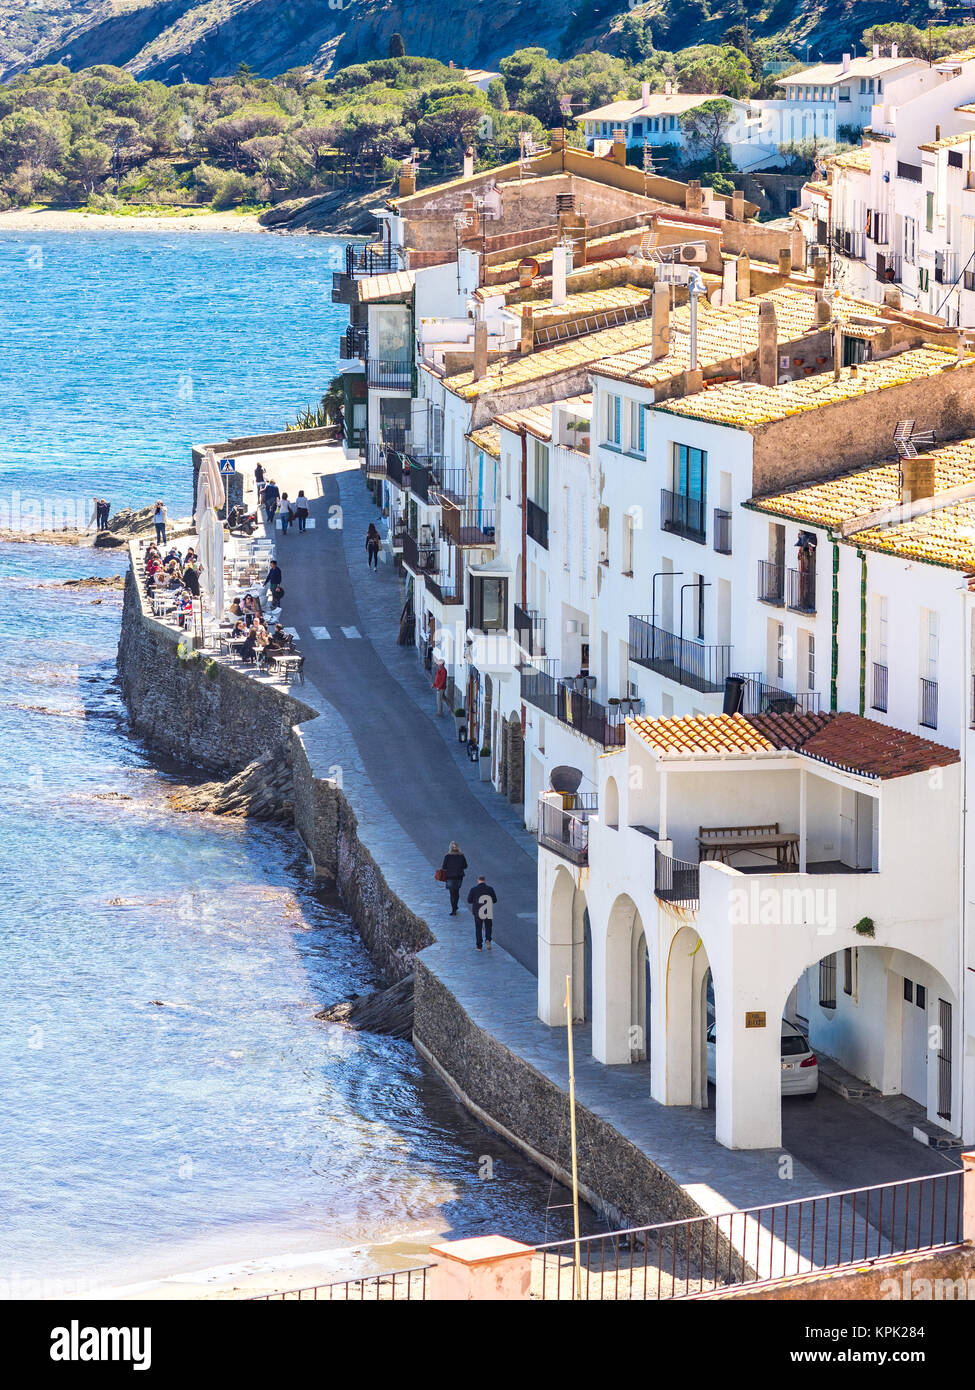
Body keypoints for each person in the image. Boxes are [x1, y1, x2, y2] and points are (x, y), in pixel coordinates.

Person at [467, 876, 498, 951]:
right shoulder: (490, 889)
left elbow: (469, 900)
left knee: (478, 928)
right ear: (484, 881)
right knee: (488, 926)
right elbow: (494, 900)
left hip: (478, 911)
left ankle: (479, 946)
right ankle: (488, 939)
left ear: (478, 880)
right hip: (488, 910)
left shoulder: (473, 889)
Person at [440, 841, 467, 916]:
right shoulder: (461, 856)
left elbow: (444, 867)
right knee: (457, 892)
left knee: (452, 893)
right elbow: (465, 866)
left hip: (450, 876)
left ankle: (453, 909)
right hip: (459, 876)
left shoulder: (447, 856)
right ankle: (456, 906)